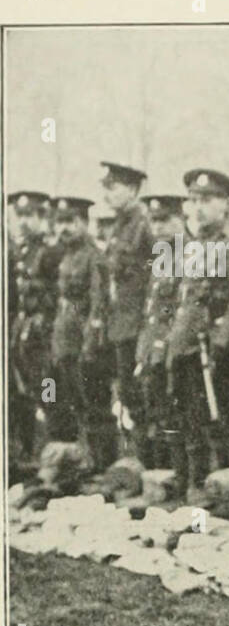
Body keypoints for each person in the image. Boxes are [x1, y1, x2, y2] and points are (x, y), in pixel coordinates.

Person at [168, 168, 229, 492]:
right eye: (193, 200)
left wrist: (222, 341)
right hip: (190, 346)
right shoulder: (189, 247)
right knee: (193, 417)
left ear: (224, 204)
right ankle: (199, 485)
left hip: (222, 347)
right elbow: (183, 298)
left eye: (206, 199)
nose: (199, 207)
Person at [47, 197, 113, 469]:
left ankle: (103, 463)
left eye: (70, 221)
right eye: (60, 221)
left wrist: (91, 339)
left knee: (96, 404)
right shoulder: (66, 255)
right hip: (66, 339)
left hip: (86, 341)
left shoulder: (94, 255)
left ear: (85, 223)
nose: (64, 228)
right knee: (75, 403)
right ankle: (88, 460)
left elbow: (99, 299)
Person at [99, 161, 153, 466]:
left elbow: (158, 278)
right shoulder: (119, 226)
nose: (107, 194)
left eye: (113, 187)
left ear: (132, 190)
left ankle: (156, 467)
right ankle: (143, 464)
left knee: (144, 398)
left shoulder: (144, 226)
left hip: (140, 325)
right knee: (131, 398)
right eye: (104, 188)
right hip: (121, 325)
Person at [135, 194, 188, 486]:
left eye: (165, 219)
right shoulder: (161, 257)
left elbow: (181, 309)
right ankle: (166, 477)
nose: (159, 226)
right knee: (160, 412)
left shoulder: (189, 255)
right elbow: (152, 309)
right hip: (156, 347)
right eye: (154, 220)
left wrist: (165, 345)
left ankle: (182, 478)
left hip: (176, 347)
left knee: (180, 414)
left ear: (181, 218)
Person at [7, 191, 61, 462]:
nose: (24, 222)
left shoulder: (52, 251)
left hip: (47, 333)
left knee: (48, 388)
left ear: (43, 218)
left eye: (30, 216)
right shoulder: (22, 251)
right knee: (26, 391)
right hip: (25, 332)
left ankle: (52, 448)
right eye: (20, 216)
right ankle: (31, 451)